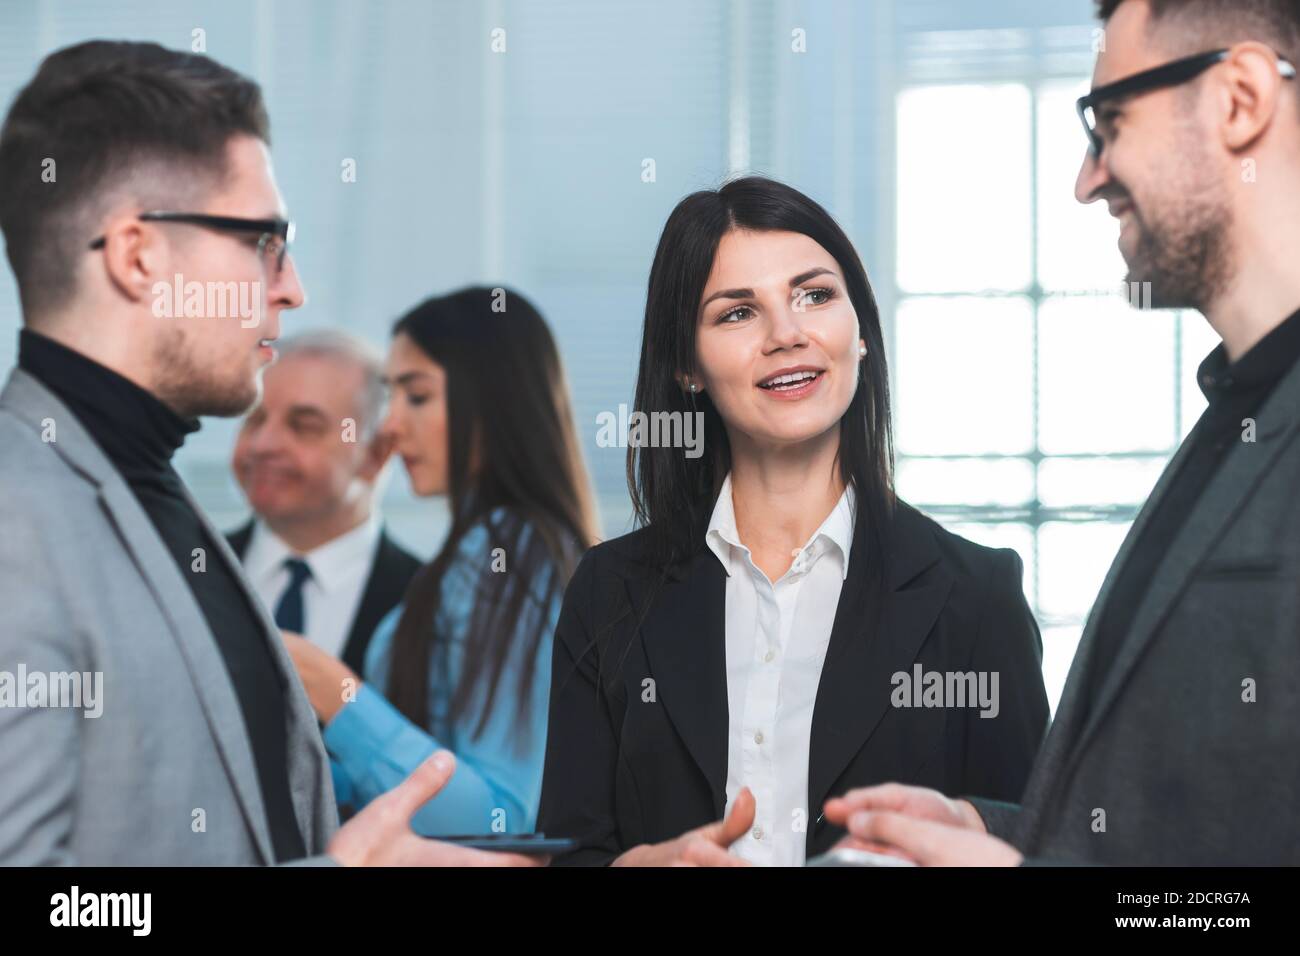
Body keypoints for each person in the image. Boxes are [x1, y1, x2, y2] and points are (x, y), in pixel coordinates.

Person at [0, 40, 537, 867]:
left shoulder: (159, 503)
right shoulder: (18, 516)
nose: (292, 288)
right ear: (141, 257)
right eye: (263, 242)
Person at [827, 0, 1300, 866]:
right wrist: (992, 828)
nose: (1088, 178)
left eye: (1110, 122)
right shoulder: (1236, 416)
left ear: (1240, 100)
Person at [536, 176, 1050, 866]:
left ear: (860, 330)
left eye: (815, 295)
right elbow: (571, 852)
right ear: (687, 365)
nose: (787, 335)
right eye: (737, 313)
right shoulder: (608, 591)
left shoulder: (976, 597)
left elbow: (1036, 844)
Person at [282, 288, 599, 836]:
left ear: (494, 402)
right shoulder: (481, 551)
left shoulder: (507, 551)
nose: (391, 425)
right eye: (391, 396)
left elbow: (500, 822)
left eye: (418, 396)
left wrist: (332, 687)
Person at [228, 329, 420, 674]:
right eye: (254, 419)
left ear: (376, 454)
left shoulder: (431, 603)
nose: (263, 445)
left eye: (303, 426)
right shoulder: (188, 569)